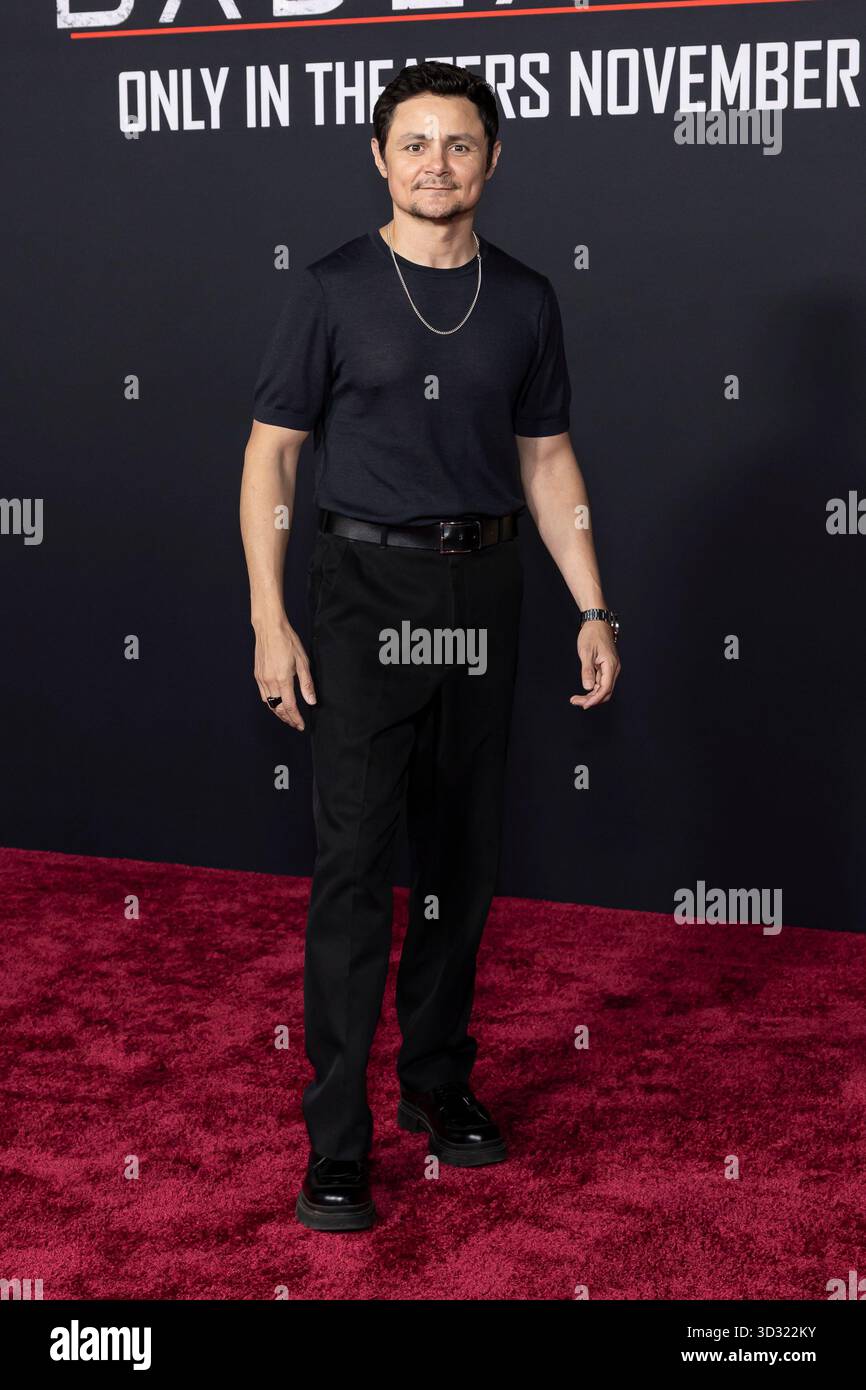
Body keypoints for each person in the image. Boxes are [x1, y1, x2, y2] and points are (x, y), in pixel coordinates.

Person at [240, 60, 621, 1232]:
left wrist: (593, 605)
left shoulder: (524, 298)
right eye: (414, 144)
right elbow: (271, 456)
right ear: (378, 156)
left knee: (459, 861)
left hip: (486, 589)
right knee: (356, 871)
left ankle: (437, 1086)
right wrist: (270, 614)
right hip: (359, 591)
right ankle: (338, 1144)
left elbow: (547, 459)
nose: (435, 165)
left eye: (458, 145)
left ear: (490, 162)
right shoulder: (329, 290)